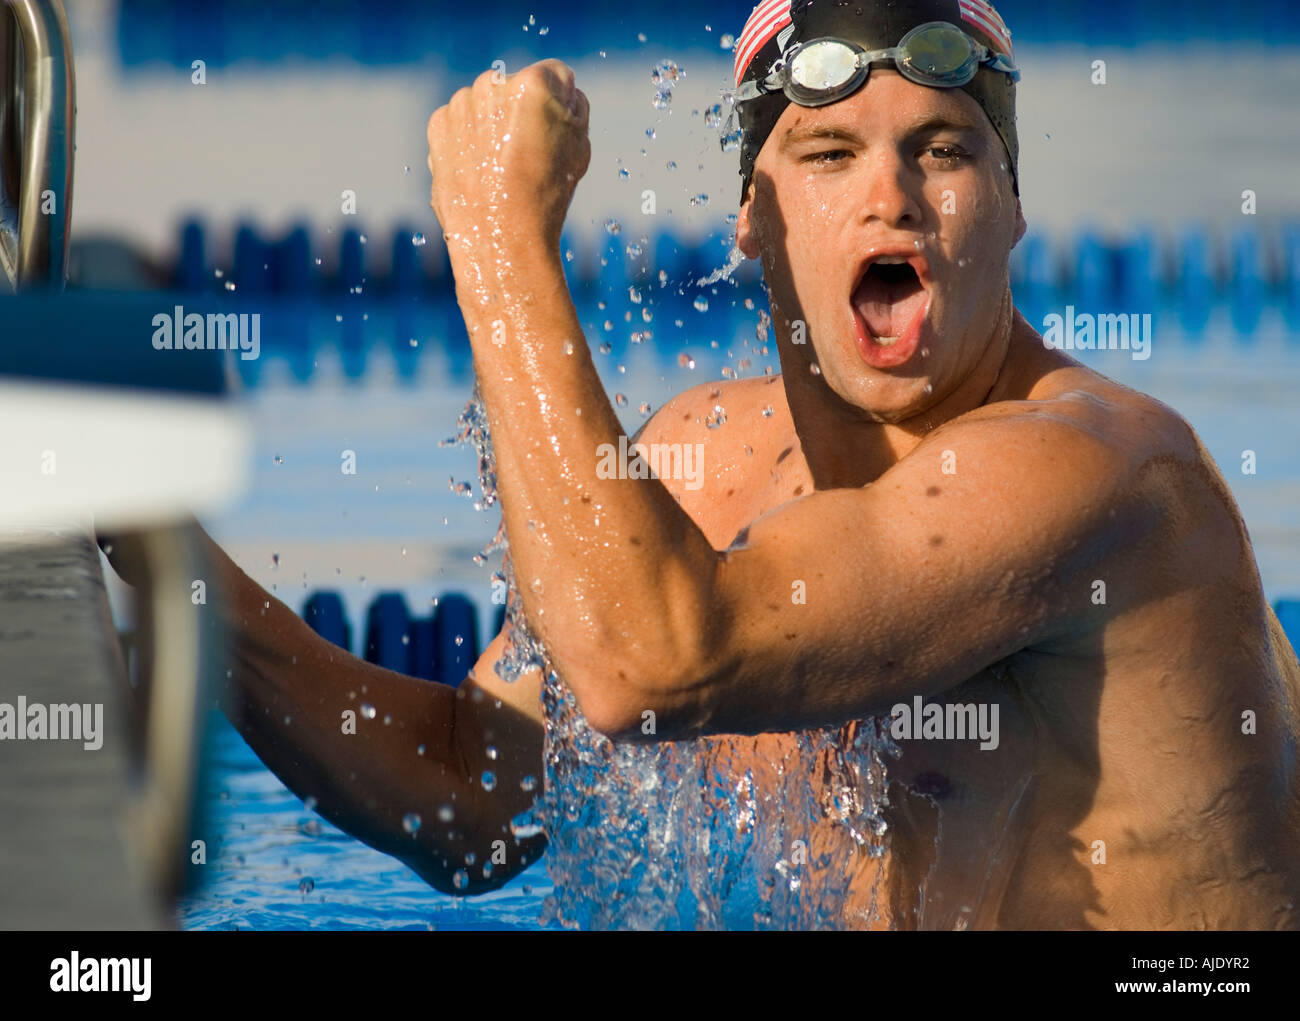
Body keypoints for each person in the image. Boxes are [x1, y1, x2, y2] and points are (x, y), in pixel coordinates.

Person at [105, 0, 1300, 928]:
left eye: (942, 150)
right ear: (751, 221)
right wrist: (156, 555)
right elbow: (467, 795)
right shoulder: (707, 465)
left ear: (1011, 204)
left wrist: (494, 236)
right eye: (828, 155)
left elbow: (650, 663)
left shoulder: (1092, 473)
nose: (891, 197)